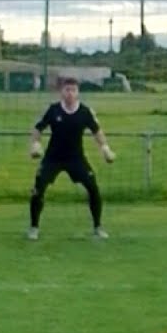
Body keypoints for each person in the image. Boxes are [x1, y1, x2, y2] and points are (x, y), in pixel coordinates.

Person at [27, 76, 115, 240]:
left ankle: (98, 227)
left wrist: (105, 149)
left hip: (76, 158)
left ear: (78, 93)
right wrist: (35, 144)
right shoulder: (53, 110)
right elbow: (38, 128)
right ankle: (33, 227)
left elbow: (97, 131)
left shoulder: (85, 111)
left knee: (93, 188)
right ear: (61, 92)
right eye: (67, 90)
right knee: (38, 189)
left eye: (73, 90)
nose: (70, 93)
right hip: (53, 158)